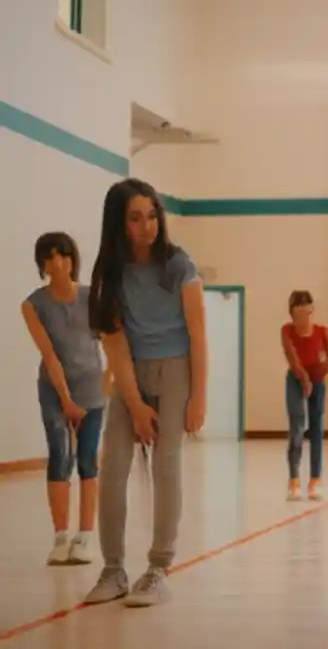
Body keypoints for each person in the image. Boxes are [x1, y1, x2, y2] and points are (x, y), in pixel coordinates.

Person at [83, 178, 207, 608]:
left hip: (175, 369)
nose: (147, 225)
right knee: (113, 464)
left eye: (152, 215)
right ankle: (113, 569)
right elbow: (113, 343)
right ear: (119, 222)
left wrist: (199, 398)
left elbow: (197, 333)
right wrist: (135, 406)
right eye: (135, 217)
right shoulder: (109, 274)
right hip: (131, 373)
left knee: (167, 462)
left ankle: (158, 567)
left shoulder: (177, 264)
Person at [21, 232, 110, 566]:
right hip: (55, 389)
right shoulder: (33, 305)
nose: (56, 263)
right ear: (42, 263)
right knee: (60, 457)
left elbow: (111, 341)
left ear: (72, 260)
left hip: (91, 390)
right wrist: (66, 400)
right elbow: (50, 354)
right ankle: (61, 536)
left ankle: (85, 536)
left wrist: (108, 382)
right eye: (49, 257)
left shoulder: (92, 298)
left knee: (88, 460)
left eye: (63, 255)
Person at [281, 290, 328, 501]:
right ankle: (293, 479)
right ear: (292, 312)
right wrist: (304, 379)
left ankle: (315, 479)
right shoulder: (286, 330)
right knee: (297, 424)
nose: (304, 312)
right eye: (298, 307)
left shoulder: (324, 332)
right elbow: (292, 357)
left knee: (316, 428)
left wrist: (315, 378)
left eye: (307, 307)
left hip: (318, 380)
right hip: (296, 379)